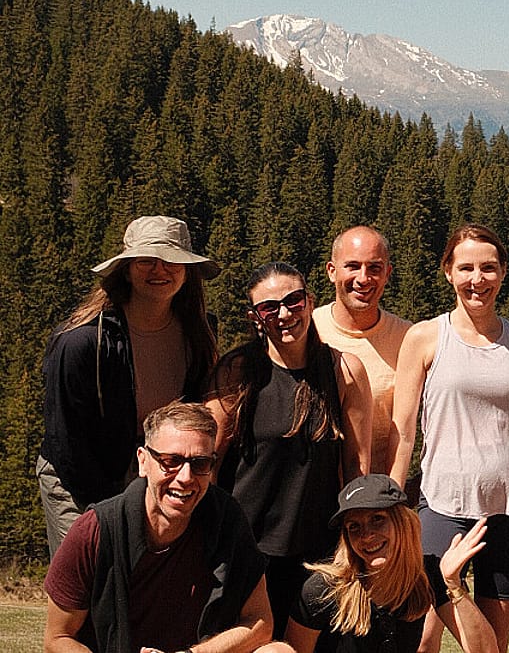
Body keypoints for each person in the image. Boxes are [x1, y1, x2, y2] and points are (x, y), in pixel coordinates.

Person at [387, 223, 509, 653]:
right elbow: (404, 433)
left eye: (488, 268)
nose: (478, 279)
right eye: (466, 268)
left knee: (493, 646)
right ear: (448, 272)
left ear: (503, 272)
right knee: (423, 640)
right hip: (444, 503)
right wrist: (392, 505)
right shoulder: (424, 337)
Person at [206, 261, 372, 638]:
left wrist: (355, 542)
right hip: (245, 551)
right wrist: (209, 540)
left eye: (293, 301)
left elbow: (357, 466)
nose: (284, 314)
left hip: (317, 556)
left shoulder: (345, 371)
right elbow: (209, 461)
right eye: (269, 307)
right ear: (255, 317)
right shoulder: (237, 371)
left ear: (310, 302)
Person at [40, 214, 221, 556]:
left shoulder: (199, 333)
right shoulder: (82, 341)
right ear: (126, 269)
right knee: (90, 567)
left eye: (172, 261)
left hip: (156, 470)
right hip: (79, 474)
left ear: (187, 271)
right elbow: (66, 439)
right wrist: (108, 509)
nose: (160, 270)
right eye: (146, 261)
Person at [44, 402, 274, 653]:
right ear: (143, 461)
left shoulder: (227, 520)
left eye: (199, 463)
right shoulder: (95, 531)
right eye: (171, 461)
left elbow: (260, 622)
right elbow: (58, 638)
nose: (185, 477)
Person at [285, 473, 499, 653]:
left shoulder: (427, 574)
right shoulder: (324, 588)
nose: (366, 535)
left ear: (402, 522)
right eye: (354, 527)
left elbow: (486, 650)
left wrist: (453, 584)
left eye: (377, 519)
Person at [313, 226, 412, 474]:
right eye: (353, 266)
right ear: (331, 271)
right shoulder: (308, 330)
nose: (363, 278)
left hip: (380, 488)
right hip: (311, 489)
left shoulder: (408, 339)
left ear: (387, 274)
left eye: (374, 268)